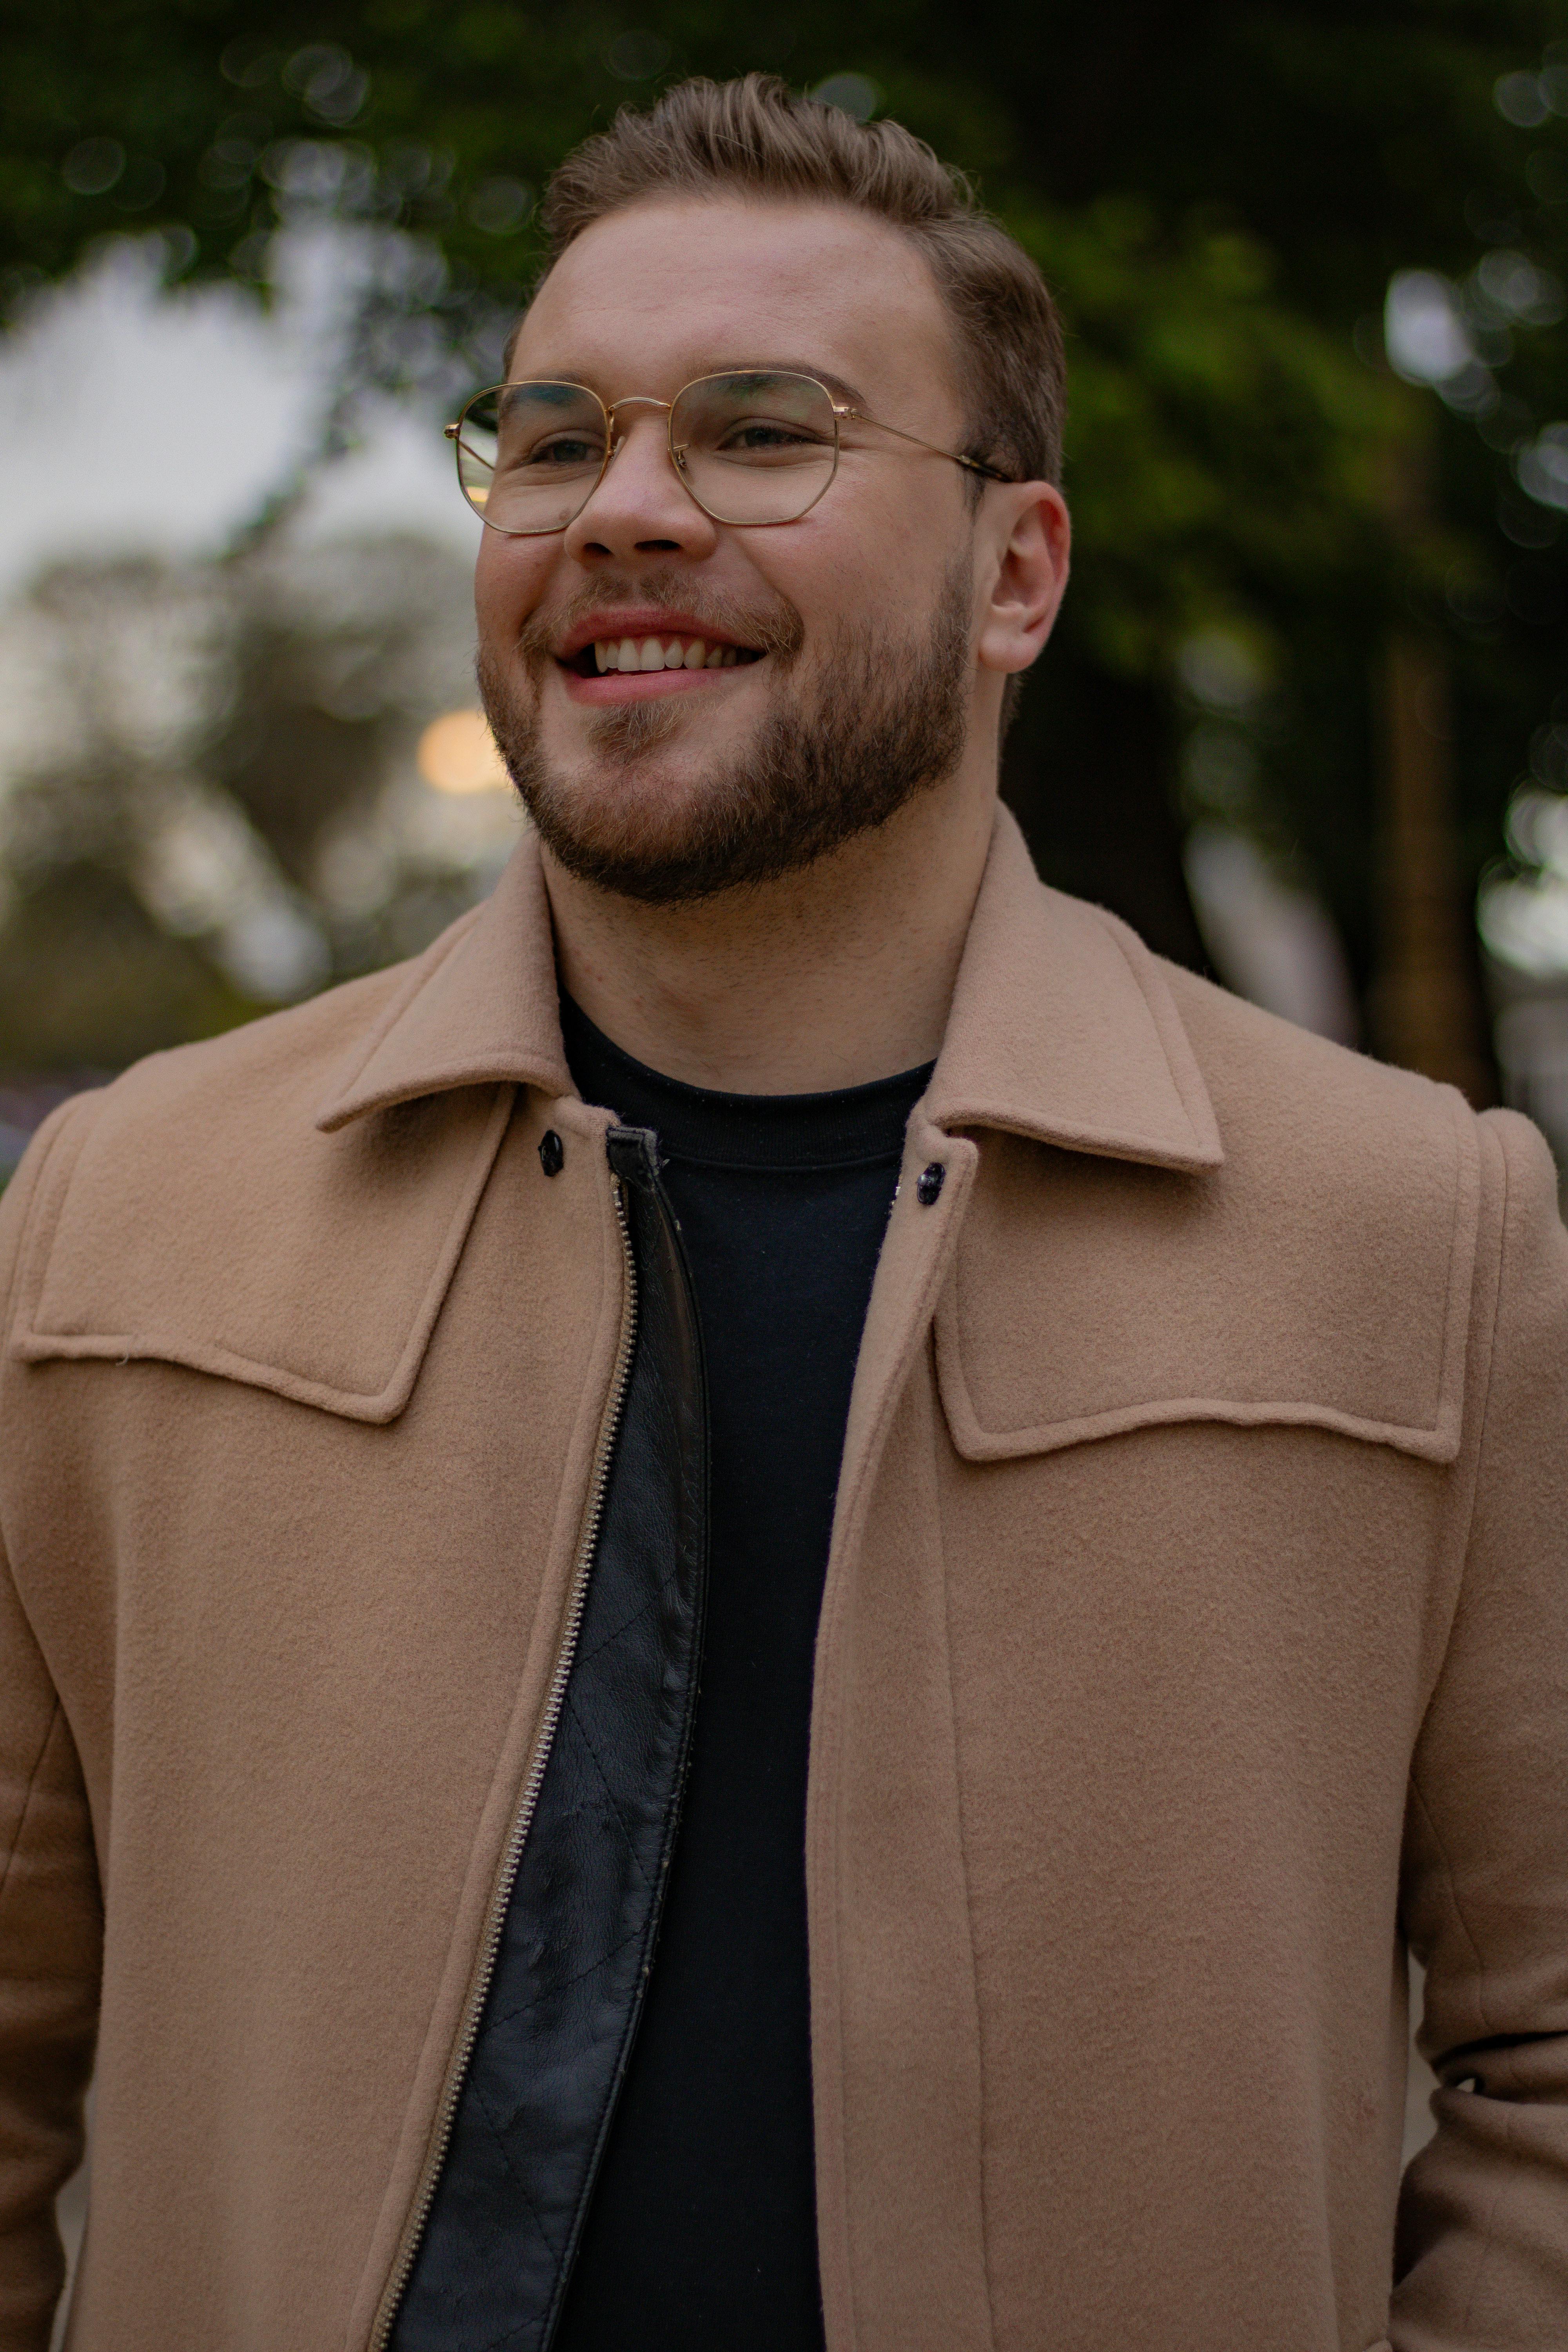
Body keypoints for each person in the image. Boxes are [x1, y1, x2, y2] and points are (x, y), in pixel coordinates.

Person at [1, 71, 1565, 2352]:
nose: (623, 511)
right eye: (553, 442)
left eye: (761, 432)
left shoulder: (1416, 1231)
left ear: (1014, 573)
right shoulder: (121, 1216)